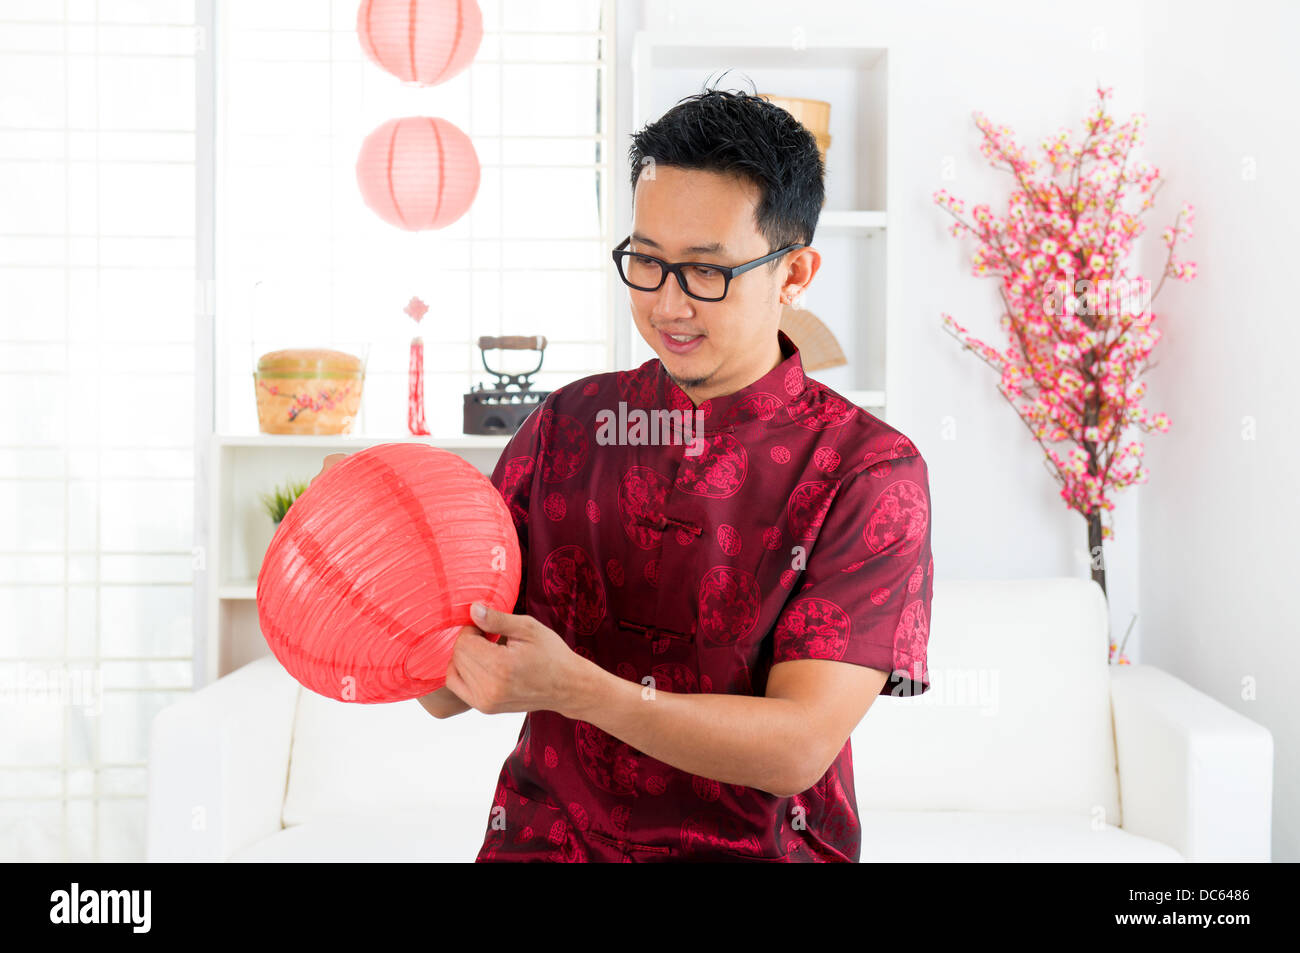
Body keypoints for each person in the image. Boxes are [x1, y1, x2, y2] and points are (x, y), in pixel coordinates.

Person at [317, 87, 933, 862]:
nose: (667, 303)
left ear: (796, 272)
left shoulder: (868, 469)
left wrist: (579, 689)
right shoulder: (568, 426)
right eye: (645, 261)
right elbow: (446, 691)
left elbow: (796, 747)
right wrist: (370, 543)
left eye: (706, 272)